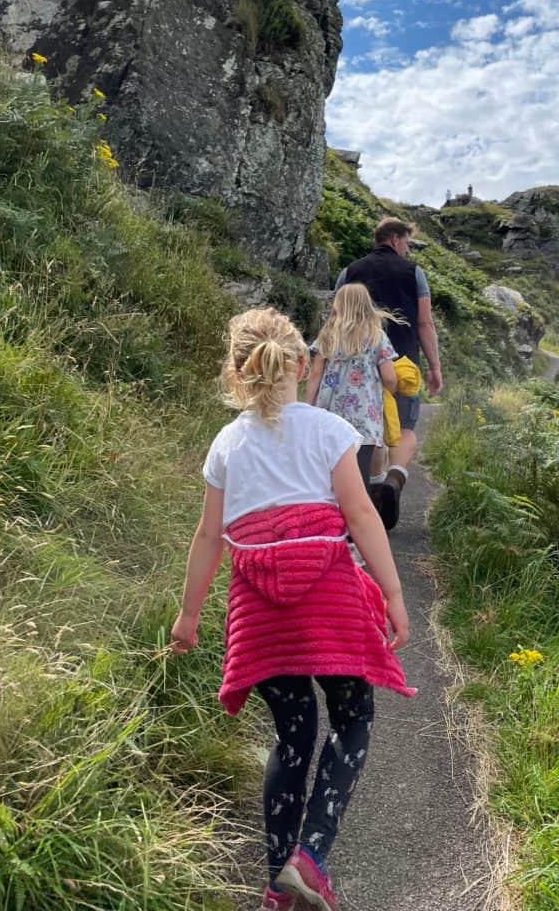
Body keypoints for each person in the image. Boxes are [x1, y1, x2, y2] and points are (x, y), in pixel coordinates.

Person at [169, 307, 414, 911]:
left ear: (236, 372)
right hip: (329, 602)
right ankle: (310, 858)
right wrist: (394, 594)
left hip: (260, 616)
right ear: (301, 363)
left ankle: (277, 887)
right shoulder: (329, 431)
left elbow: (208, 536)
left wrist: (189, 615)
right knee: (352, 718)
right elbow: (361, 517)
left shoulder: (226, 444)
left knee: (291, 736)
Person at [336, 217, 442, 529]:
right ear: (396, 239)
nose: (407, 249)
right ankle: (394, 480)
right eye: (407, 242)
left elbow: (336, 319)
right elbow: (424, 323)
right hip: (402, 364)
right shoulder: (414, 273)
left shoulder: (349, 272)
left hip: (357, 368)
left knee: (367, 435)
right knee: (405, 429)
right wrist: (435, 367)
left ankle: (365, 498)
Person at [304, 283, 399, 492]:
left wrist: (307, 406)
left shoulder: (328, 335)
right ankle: (361, 514)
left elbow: (315, 374)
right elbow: (390, 377)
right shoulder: (377, 336)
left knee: (329, 470)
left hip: (330, 414)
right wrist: (389, 390)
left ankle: (330, 516)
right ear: (366, 306)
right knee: (359, 472)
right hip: (365, 415)